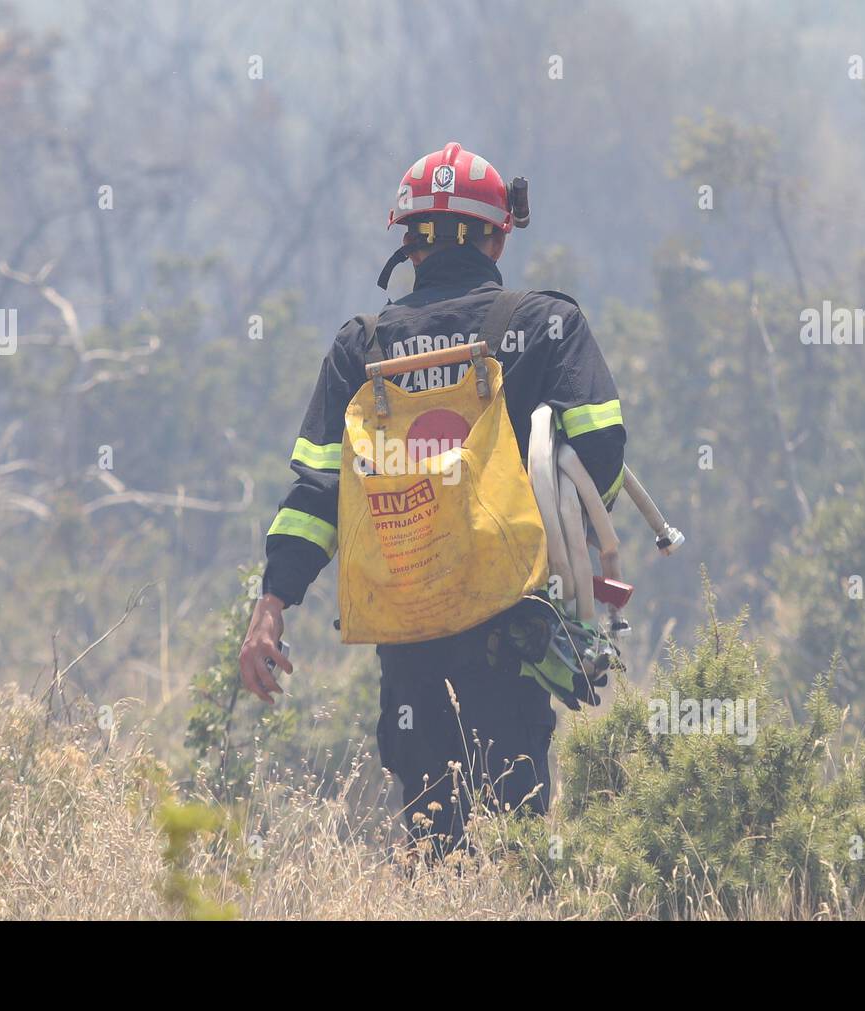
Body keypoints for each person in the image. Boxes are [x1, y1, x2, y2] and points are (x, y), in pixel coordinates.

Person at [238, 142, 626, 852]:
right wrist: (552, 534)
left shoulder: (362, 349)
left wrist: (271, 609)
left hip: (408, 628)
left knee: (430, 838)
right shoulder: (545, 325)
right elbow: (600, 451)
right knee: (515, 839)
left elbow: (316, 494)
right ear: (498, 232)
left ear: (408, 243)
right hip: (513, 626)